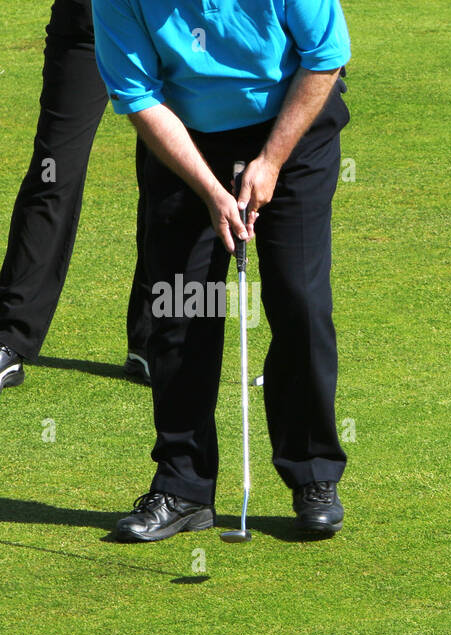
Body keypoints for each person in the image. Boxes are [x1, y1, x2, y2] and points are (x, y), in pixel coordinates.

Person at [92, 0, 352, 542]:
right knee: (181, 309)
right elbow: (138, 93)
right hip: (186, 141)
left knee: (299, 301)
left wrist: (271, 161)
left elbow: (325, 56)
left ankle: (313, 473)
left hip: (292, 125)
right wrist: (211, 190)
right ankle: (183, 486)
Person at [0, 0, 153, 394]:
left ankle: (155, 339)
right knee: (53, 173)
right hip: (88, 22)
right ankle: (10, 338)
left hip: (171, 27)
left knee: (171, 181)